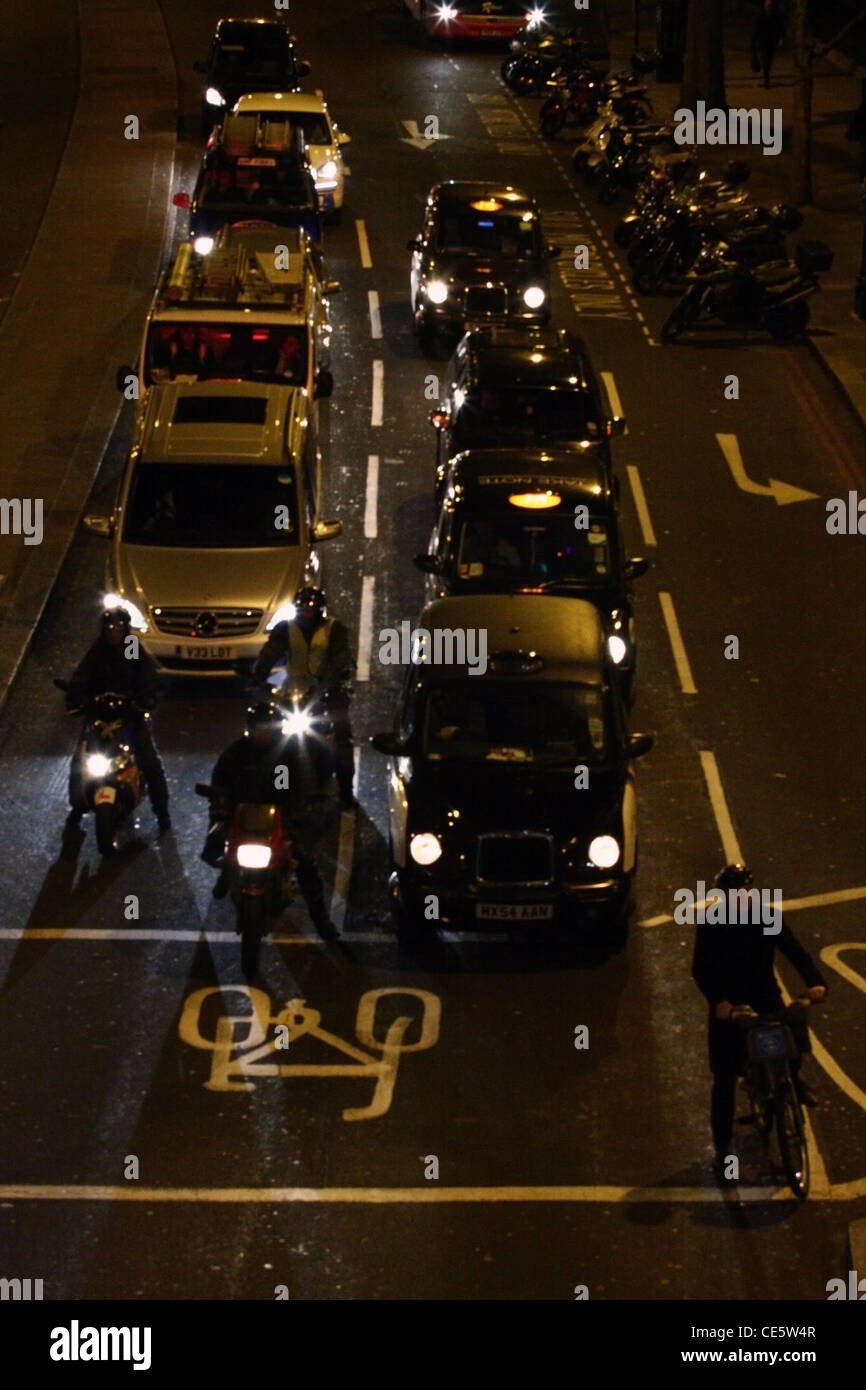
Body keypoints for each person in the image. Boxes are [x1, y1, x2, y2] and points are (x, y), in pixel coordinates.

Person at [691, 863, 827, 1173]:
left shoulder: (766, 916)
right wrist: (719, 1001)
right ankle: (723, 1147)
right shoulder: (712, 924)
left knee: (793, 1034)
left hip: (765, 998)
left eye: (747, 890)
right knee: (724, 1077)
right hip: (730, 1007)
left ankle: (793, 1079)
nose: (746, 896)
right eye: (739, 892)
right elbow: (701, 969)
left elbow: (794, 950)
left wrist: (815, 982)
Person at [201, 702, 335, 939]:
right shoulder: (235, 754)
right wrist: (220, 807)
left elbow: (305, 781)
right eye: (258, 730)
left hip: (282, 818)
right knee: (216, 841)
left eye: (267, 730)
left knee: (305, 864)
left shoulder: (292, 753)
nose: (262, 735)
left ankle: (321, 921)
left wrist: (303, 806)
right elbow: (220, 783)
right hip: (243, 819)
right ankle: (226, 872)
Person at [65, 607, 170, 832]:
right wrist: (77, 696)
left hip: (129, 714)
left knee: (149, 759)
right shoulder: (98, 650)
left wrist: (143, 696)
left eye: (119, 627)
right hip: (100, 714)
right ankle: (78, 805)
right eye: (110, 628)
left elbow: (141, 672)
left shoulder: (130, 646)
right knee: (79, 758)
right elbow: (83, 675)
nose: (114, 632)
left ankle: (161, 810)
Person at [252, 587, 356, 809]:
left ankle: (346, 793)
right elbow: (270, 652)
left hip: (327, 692)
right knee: (277, 741)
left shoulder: (333, 629)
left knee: (341, 736)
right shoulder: (285, 629)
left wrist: (334, 677)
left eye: (311, 611)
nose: (306, 615)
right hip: (295, 694)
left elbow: (341, 657)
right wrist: (259, 675)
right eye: (302, 611)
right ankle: (280, 789)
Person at [751, 0, 785, 89]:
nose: (769, 7)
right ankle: (767, 80)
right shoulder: (760, 16)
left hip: (772, 41)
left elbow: (780, 27)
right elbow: (756, 29)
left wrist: (781, 38)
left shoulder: (776, 15)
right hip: (762, 41)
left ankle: (767, 74)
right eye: (768, 5)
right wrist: (754, 41)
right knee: (765, 61)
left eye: (770, 5)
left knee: (769, 61)